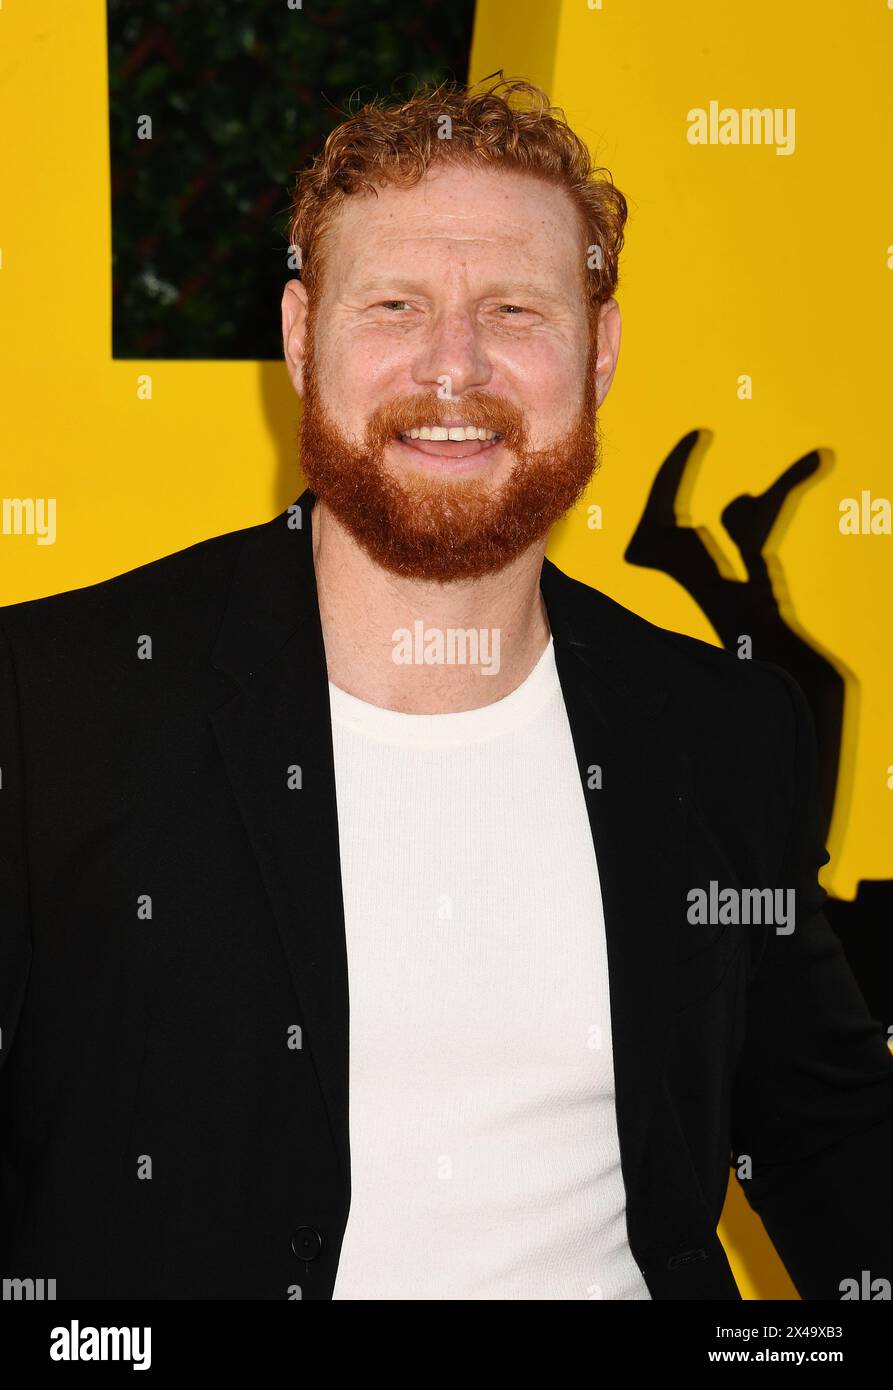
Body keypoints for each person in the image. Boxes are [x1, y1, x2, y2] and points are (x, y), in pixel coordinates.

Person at [1, 77, 891, 1302]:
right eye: (396, 306)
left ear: (602, 348)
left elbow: (826, 1136)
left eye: (514, 309)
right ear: (302, 336)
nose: (454, 368)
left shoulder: (722, 729)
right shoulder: (57, 704)